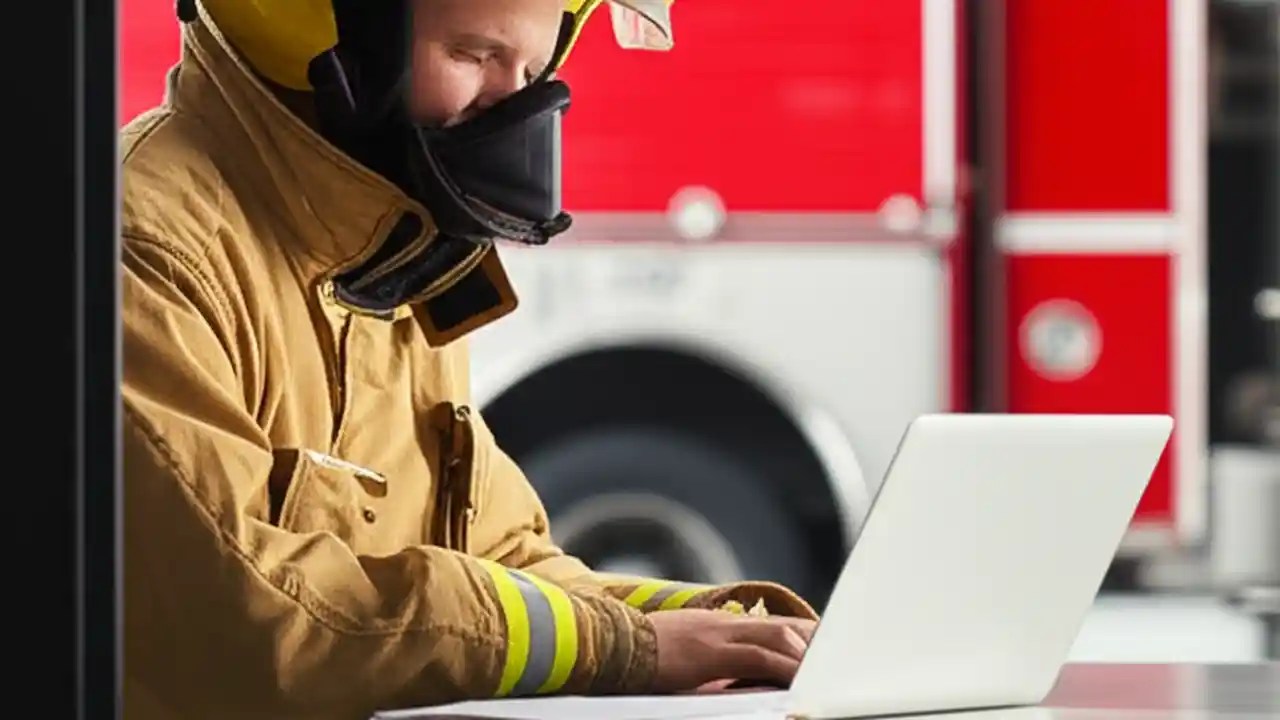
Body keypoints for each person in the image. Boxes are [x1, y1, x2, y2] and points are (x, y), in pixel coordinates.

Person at [121, 1, 819, 718]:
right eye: (476, 55)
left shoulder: (387, 248)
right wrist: (626, 648)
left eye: (534, 68)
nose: (515, 102)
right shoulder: (146, 254)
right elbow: (243, 619)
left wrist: (730, 630)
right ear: (313, 30)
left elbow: (501, 562)